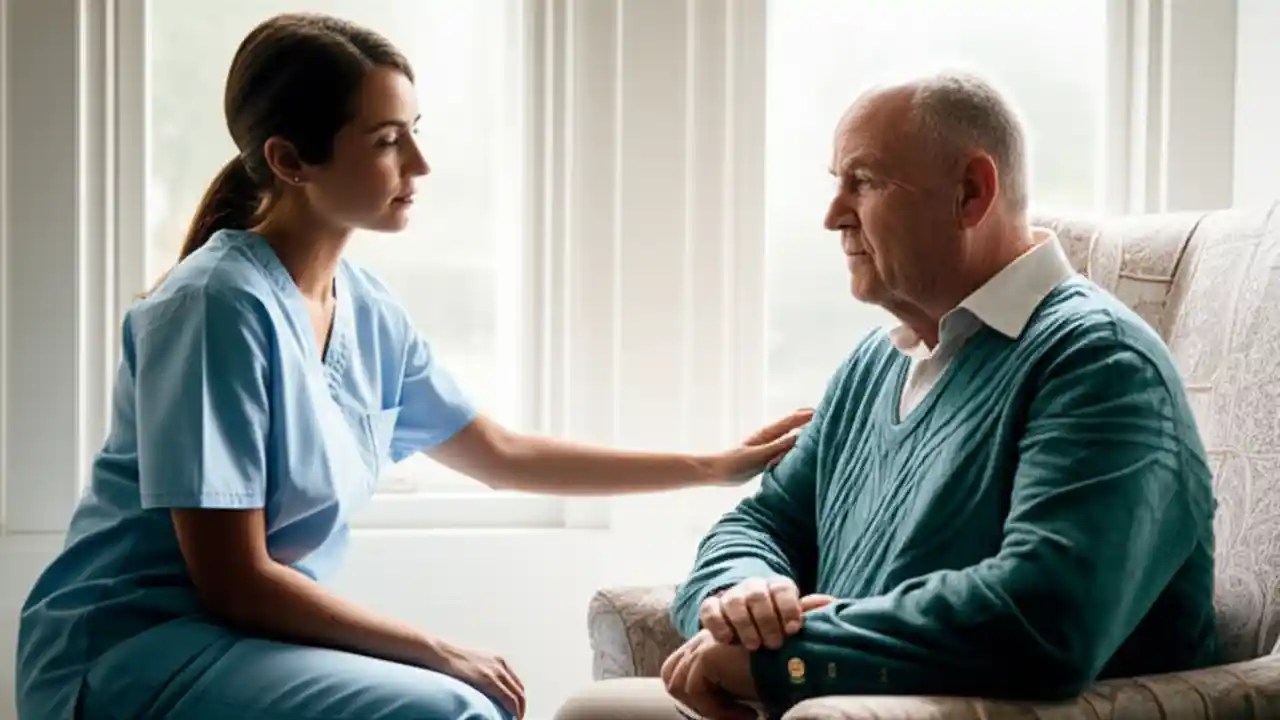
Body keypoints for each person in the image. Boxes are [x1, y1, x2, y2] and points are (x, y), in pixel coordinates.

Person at [13, 13, 811, 720]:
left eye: (414, 129)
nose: (420, 165)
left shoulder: (363, 304)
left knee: (464, 702)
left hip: (233, 637)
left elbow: (501, 454)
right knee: (452, 705)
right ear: (292, 160)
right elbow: (235, 581)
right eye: (388, 141)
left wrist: (714, 464)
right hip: (131, 649)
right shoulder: (216, 308)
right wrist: (432, 645)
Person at [554, 73, 1217, 720]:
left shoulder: (1099, 361)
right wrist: (744, 596)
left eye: (863, 182)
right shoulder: (875, 362)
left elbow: (1044, 617)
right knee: (593, 711)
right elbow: (758, 524)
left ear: (970, 192)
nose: (832, 215)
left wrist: (788, 660)